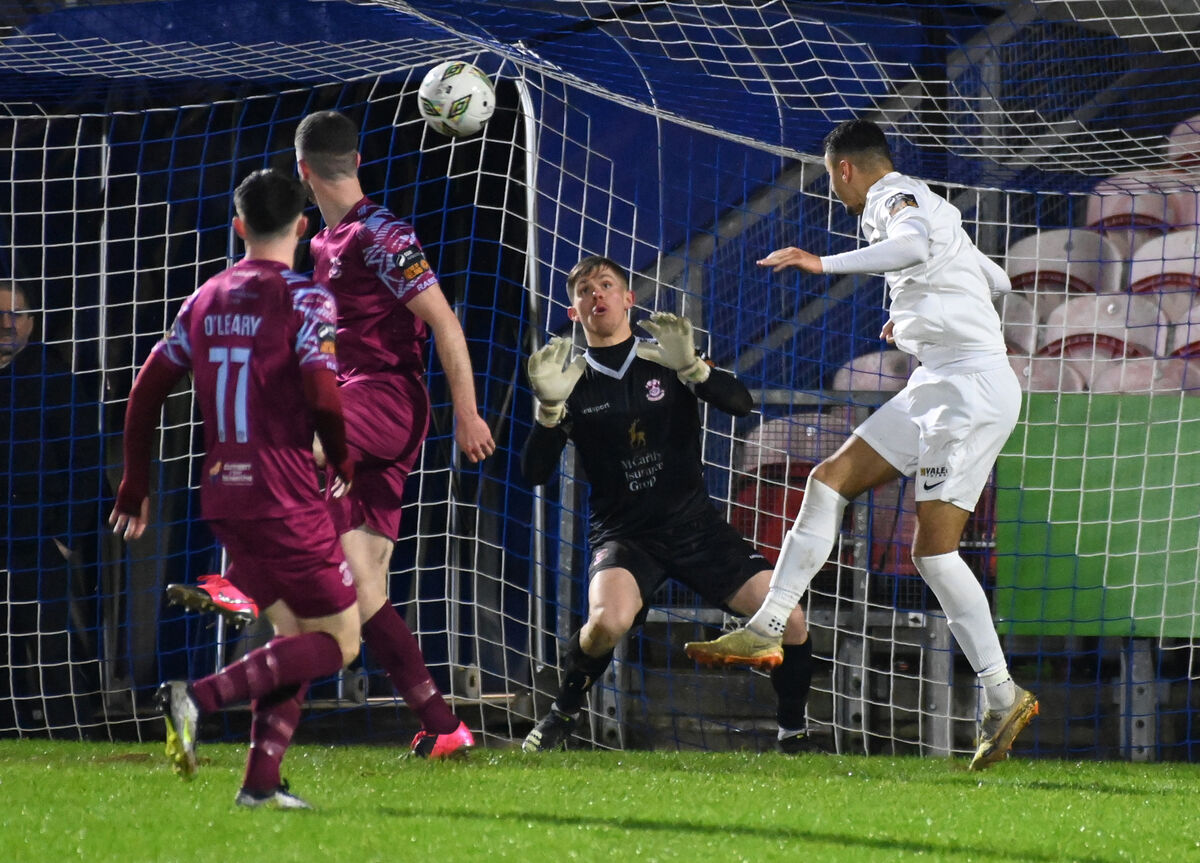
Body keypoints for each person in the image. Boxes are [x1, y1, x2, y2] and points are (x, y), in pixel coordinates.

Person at [683, 118, 1037, 770]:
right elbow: (997, 280)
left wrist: (824, 262)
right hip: (940, 382)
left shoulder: (891, 199)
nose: (835, 191)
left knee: (934, 553)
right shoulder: (934, 205)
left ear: (844, 169)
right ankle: (770, 623)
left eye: (830, 178)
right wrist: (919, 313)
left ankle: (1000, 690)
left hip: (966, 393)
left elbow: (908, 246)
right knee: (828, 478)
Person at [109, 168, 362, 808]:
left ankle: (259, 785)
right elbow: (324, 393)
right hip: (284, 493)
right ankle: (195, 696)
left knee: (295, 638)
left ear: (238, 226)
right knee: (339, 643)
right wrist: (341, 458)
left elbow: (144, 393)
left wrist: (135, 483)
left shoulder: (203, 298)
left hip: (223, 496)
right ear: (303, 228)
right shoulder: (306, 298)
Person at [519, 255, 817, 754]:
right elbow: (533, 473)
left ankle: (794, 733)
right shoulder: (567, 382)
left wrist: (696, 368)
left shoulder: (668, 361)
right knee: (605, 625)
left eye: (607, 285)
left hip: (696, 527)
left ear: (628, 300)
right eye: (585, 291)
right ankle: (561, 715)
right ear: (574, 312)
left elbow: (742, 404)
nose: (597, 296)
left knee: (792, 620)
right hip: (625, 538)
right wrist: (549, 413)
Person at [295, 109, 494, 758]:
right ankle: (442, 726)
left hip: (382, 400)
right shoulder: (323, 244)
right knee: (365, 581)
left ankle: (243, 576)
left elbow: (443, 320)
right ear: (355, 160)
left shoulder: (380, 234)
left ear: (304, 171)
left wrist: (467, 412)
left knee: (293, 449)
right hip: (367, 409)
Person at [0, 279, 104, 735]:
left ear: (32, 321)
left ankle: (72, 742)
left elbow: (86, 461)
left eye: (18, 313)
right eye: (1, 313)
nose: (8, 324)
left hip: (40, 541)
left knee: (52, 654)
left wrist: (64, 536)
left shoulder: (52, 377)